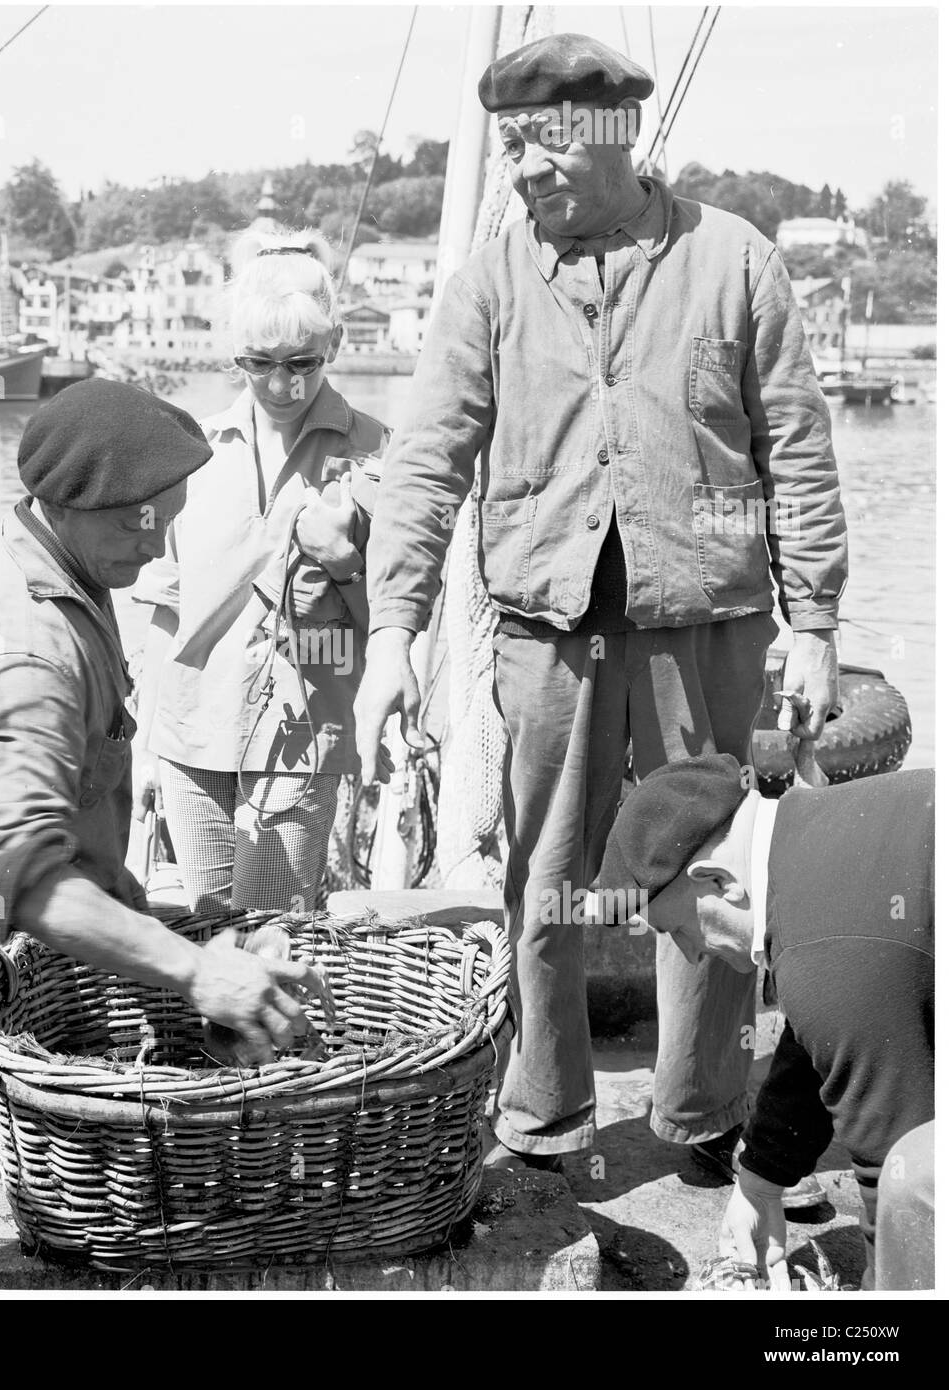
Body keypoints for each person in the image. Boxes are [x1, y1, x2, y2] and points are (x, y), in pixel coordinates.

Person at [354, 32, 848, 1176]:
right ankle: (542, 1118)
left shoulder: (735, 261)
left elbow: (800, 456)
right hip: (547, 640)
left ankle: (701, 1116)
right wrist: (391, 634)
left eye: (545, 143)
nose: (523, 169)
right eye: (510, 145)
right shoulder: (487, 283)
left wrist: (814, 623)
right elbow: (426, 463)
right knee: (544, 885)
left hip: (708, 630)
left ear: (619, 134)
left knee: (709, 880)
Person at [0, 379, 329, 1175]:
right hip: (1, 955)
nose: (157, 545)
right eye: (142, 523)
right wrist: (200, 971)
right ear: (69, 502)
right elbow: (13, 881)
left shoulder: (47, 550)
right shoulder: (25, 654)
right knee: (33, 1213)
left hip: (60, 934)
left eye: (168, 522)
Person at [588, 754, 933, 1290]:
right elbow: (822, 1042)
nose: (693, 953)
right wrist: (761, 1182)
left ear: (720, 880)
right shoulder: (814, 845)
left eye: (678, 928)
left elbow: (898, 1174)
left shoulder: (830, 951)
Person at [132, 229, 389, 915]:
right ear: (232, 355)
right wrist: (143, 752)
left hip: (302, 742)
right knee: (214, 941)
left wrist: (344, 563)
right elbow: (163, 610)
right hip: (190, 734)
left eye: (302, 362)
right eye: (259, 363)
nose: (282, 385)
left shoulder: (379, 454)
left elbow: (401, 624)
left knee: (270, 941)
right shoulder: (190, 452)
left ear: (333, 342)